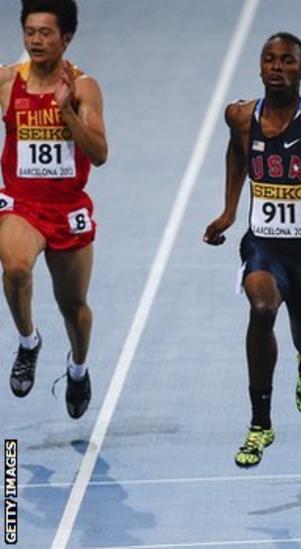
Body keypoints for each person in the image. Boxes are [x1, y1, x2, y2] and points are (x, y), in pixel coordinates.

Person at [203, 32, 301, 468]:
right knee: (261, 309)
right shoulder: (239, 116)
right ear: (259, 67)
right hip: (263, 247)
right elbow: (236, 154)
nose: (277, 67)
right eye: (269, 59)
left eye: (287, 61)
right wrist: (229, 211)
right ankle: (260, 423)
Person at [0, 0, 107, 419]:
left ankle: (77, 368)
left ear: (66, 37)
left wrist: (65, 112)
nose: (36, 40)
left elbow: (99, 153)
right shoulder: (8, 82)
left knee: (74, 308)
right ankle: (28, 343)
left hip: (67, 208)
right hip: (21, 203)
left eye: (45, 33)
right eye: (30, 32)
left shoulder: (84, 87)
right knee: (15, 268)